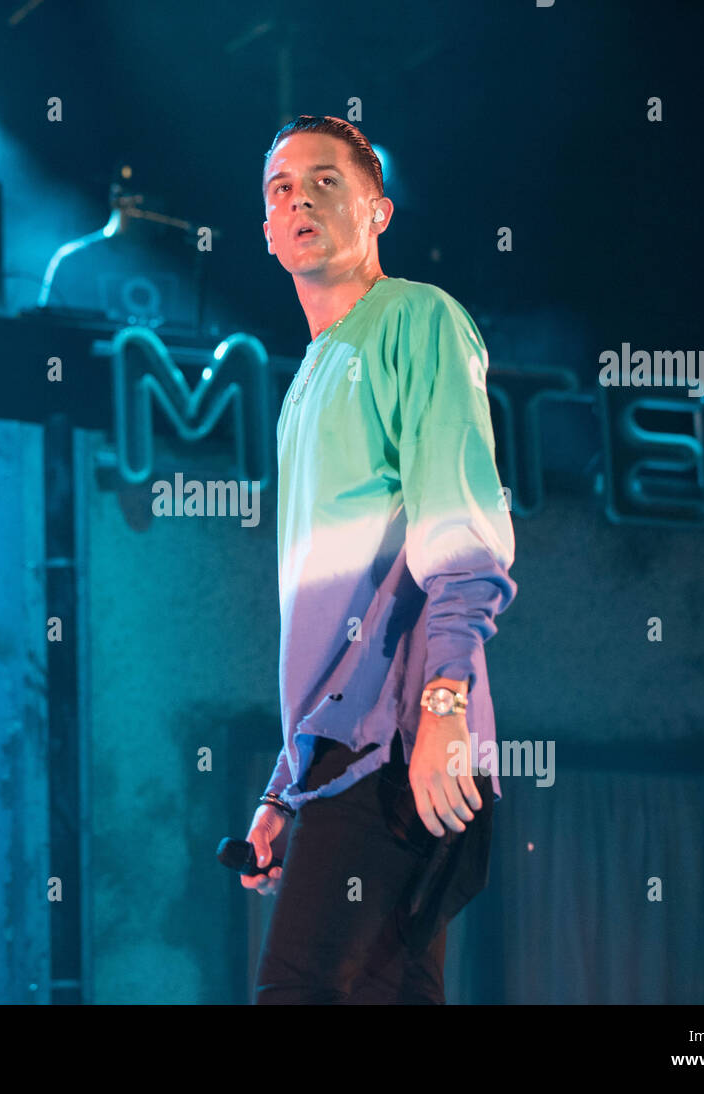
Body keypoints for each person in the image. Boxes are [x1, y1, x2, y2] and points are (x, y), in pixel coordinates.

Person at [242, 116, 517, 1004]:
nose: (300, 198)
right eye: (281, 188)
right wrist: (287, 788)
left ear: (378, 211)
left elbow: (464, 533)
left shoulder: (418, 320)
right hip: (339, 757)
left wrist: (446, 705)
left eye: (326, 180)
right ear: (268, 232)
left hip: (398, 742)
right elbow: (324, 617)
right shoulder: (304, 384)